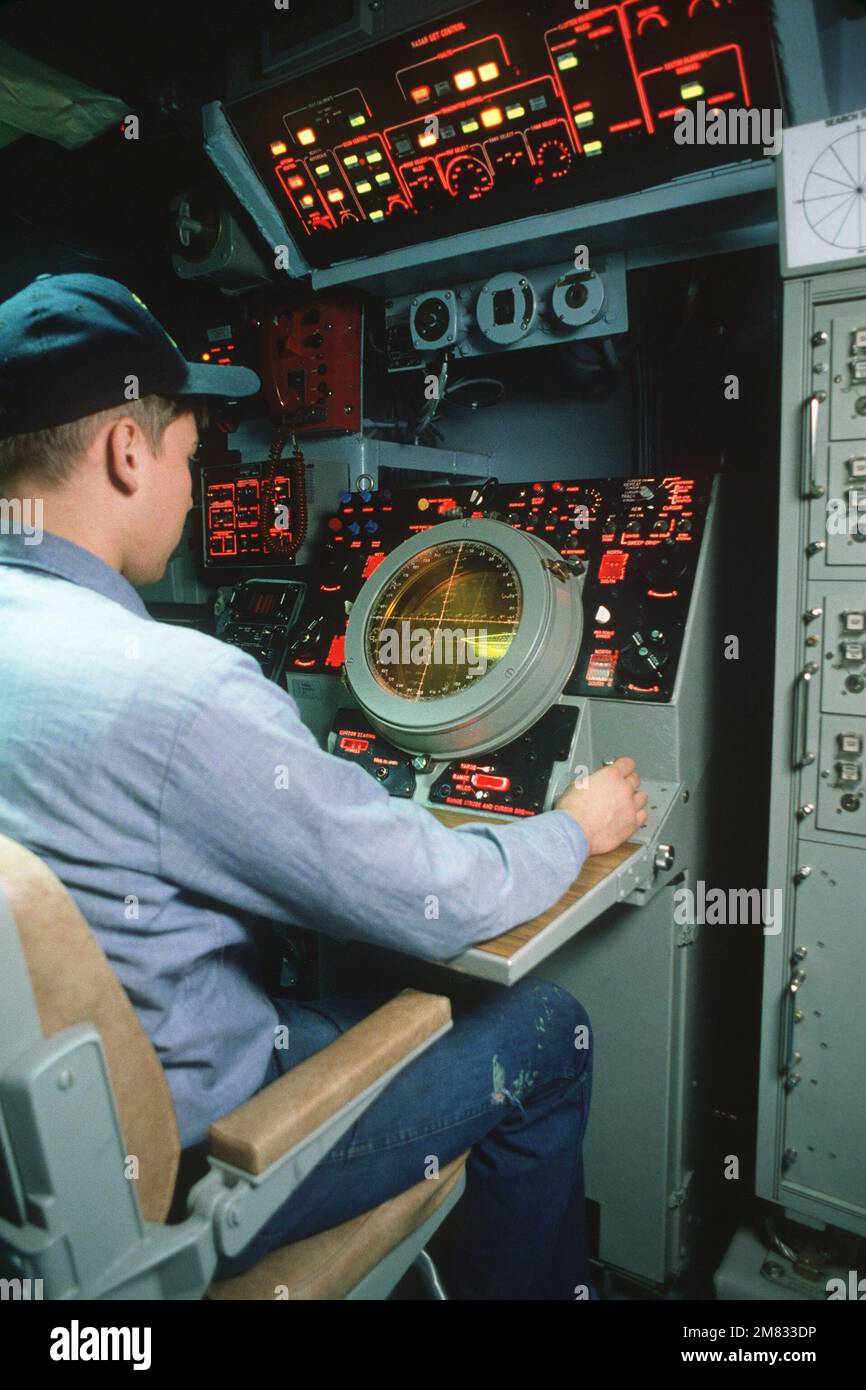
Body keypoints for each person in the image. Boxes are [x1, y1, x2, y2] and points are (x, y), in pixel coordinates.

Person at [0, 274, 647, 1299]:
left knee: (341, 988)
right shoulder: (178, 690)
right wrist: (574, 824)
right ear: (128, 451)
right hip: (190, 1166)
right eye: (191, 455)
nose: (193, 483)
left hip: (29, 1172)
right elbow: (441, 901)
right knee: (545, 1028)